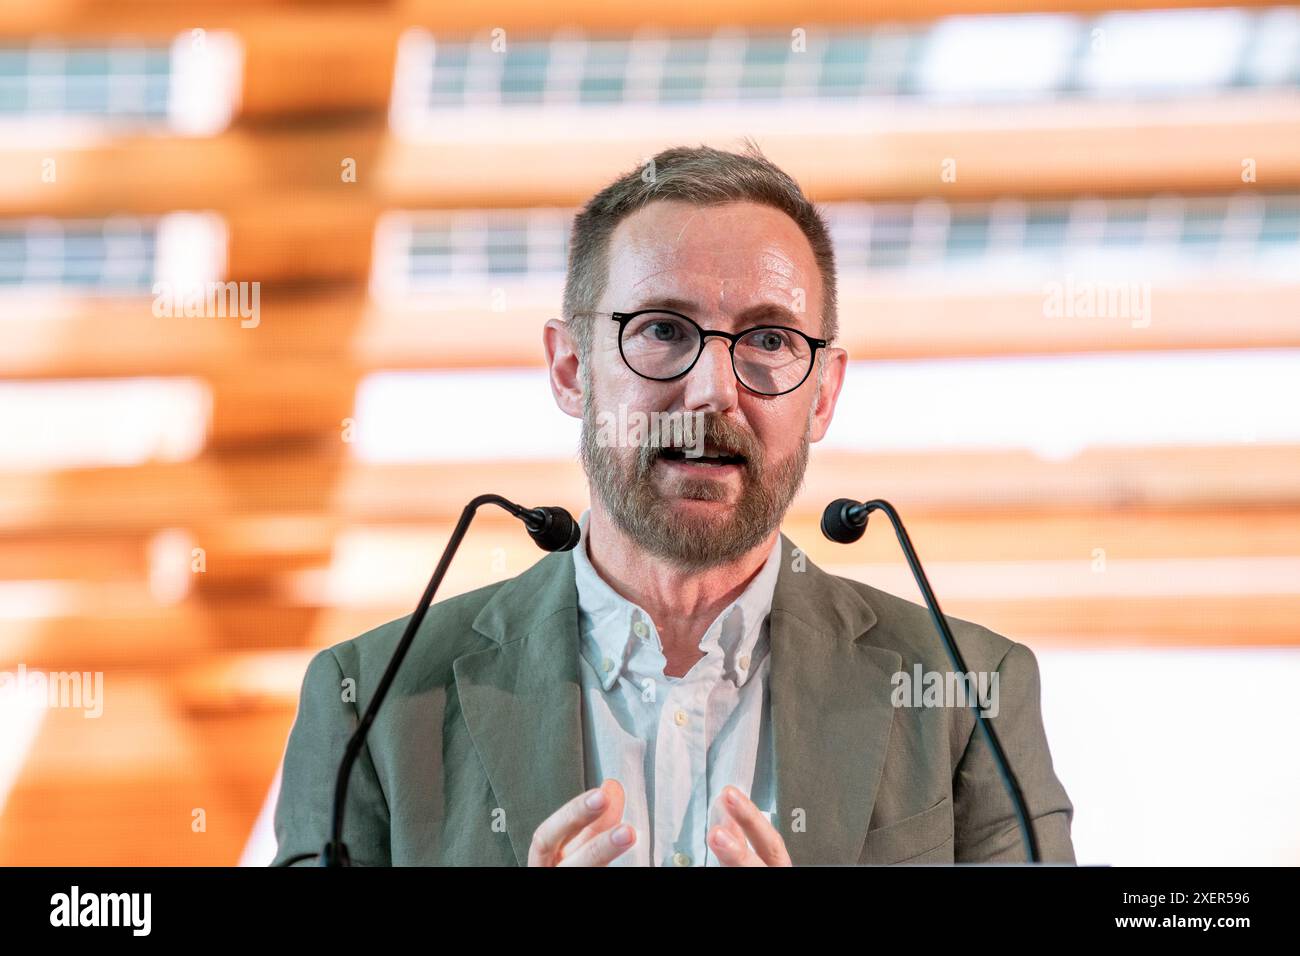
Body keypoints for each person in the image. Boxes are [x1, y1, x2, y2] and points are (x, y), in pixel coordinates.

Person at [272, 142, 1075, 866]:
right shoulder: (368, 703)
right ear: (570, 370)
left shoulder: (970, 694)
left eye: (769, 340)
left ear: (823, 395)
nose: (714, 390)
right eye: (662, 329)